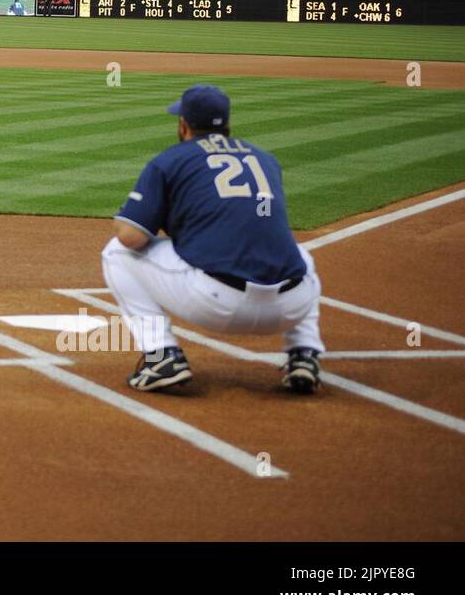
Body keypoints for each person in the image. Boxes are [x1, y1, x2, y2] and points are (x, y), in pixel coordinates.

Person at [102, 85, 323, 394]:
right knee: (300, 255)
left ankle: (162, 355)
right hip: (290, 306)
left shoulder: (170, 161)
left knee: (116, 254)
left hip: (217, 303)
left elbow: (130, 237)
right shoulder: (265, 159)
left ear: (183, 125)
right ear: (228, 124)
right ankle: (304, 353)